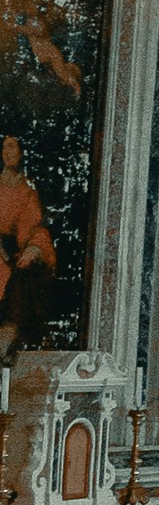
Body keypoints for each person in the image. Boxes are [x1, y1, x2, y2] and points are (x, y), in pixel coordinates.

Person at [0, 137, 58, 349]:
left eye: (12, 147)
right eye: (4, 148)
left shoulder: (27, 192)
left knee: (22, 285)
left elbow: (32, 230)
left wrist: (33, 248)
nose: (8, 153)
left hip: (8, 258)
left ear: (22, 152)